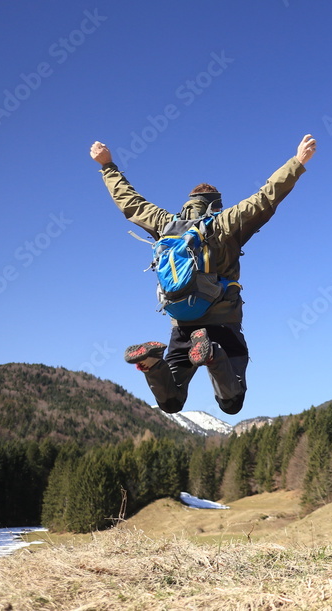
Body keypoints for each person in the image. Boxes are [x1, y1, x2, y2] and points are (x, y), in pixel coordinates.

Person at [89, 134, 316, 415]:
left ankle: (153, 363)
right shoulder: (225, 222)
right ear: (216, 204)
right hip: (224, 322)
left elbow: (131, 203)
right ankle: (213, 355)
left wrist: (107, 165)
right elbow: (266, 197)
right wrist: (297, 162)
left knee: (171, 403)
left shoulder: (166, 224)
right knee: (231, 403)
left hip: (181, 326)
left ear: (189, 203)